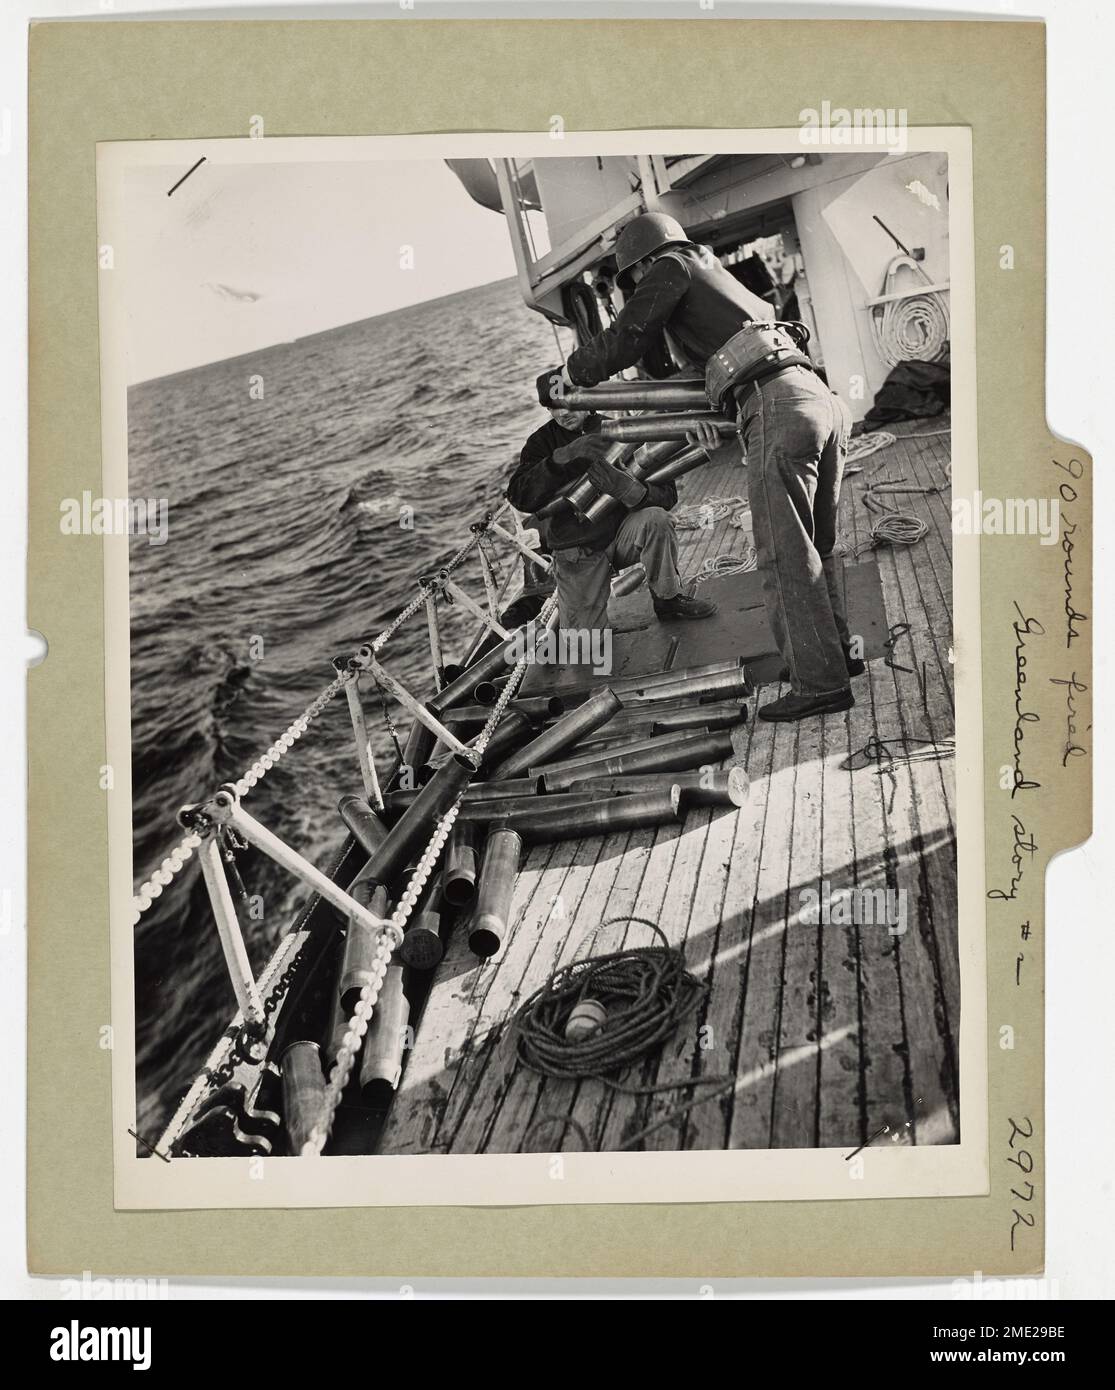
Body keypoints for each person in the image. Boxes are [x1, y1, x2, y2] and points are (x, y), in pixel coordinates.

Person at [536, 211, 861, 722]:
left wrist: (570, 372)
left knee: (782, 556)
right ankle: (831, 655)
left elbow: (630, 334)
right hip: (818, 398)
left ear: (644, 262)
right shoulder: (725, 287)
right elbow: (706, 369)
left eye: (633, 279)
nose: (638, 287)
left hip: (776, 405)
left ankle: (820, 683)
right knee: (814, 547)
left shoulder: (671, 265)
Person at [507, 403, 717, 634]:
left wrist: (631, 491)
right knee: (586, 644)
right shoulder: (541, 443)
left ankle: (668, 599)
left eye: (570, 404)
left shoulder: (618, 431)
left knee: (657, 519)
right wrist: (562, 458)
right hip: (578, 552)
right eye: (555, 407)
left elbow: (668, 495)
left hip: (621, 537)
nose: (564, 412)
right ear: (548, 409)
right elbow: (519, 496)